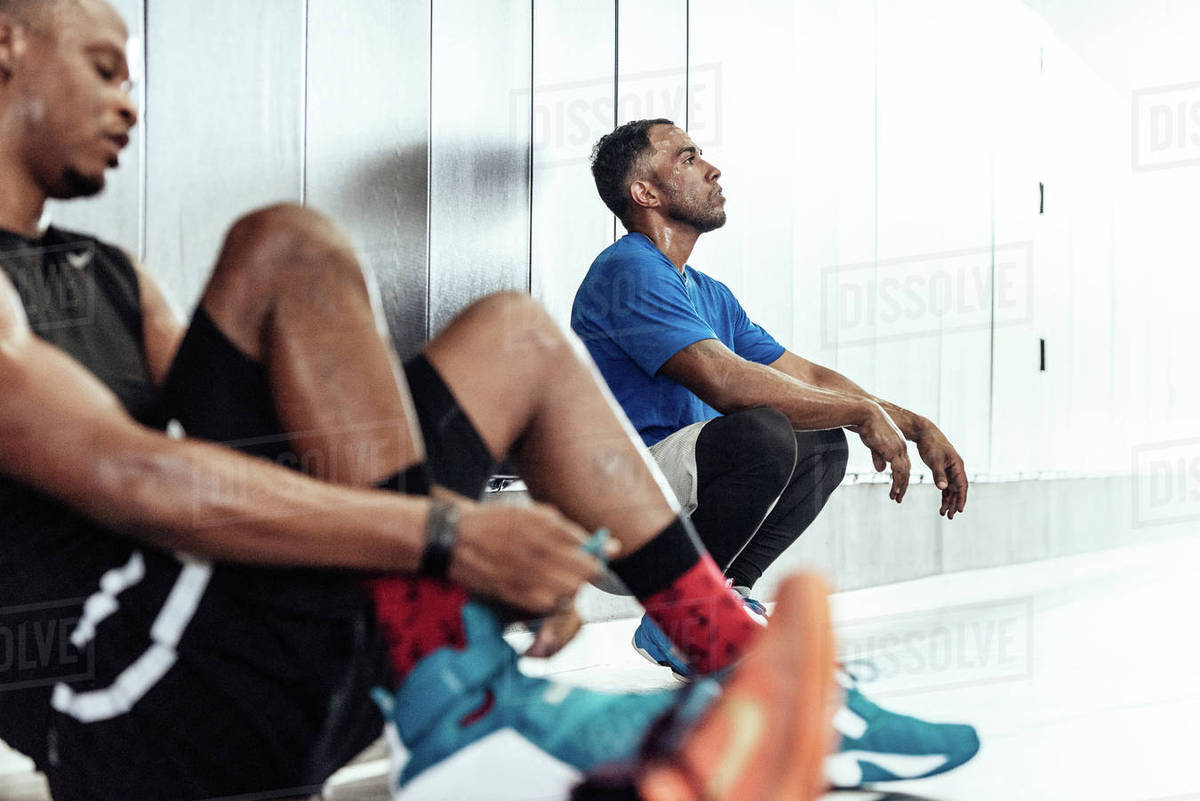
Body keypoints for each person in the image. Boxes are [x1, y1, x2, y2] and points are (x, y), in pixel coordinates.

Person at [0, 2, 857, 800]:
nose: (129, 106)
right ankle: (453, 657)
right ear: (9, 46)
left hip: (238, 648)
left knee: (459, 313)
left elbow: (232, 455)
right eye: (105, 68)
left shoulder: (107, 277)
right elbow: (144, 478)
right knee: (288, 251)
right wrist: (453, 535)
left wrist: (492, 545)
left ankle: (722, 653)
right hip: (114, 701)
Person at [572, 119, 977, 784]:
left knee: (819, 439)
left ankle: (718, 597)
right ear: (643, 190)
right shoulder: (627, 270)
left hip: (671, 503)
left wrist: (909, 422)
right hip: (617, 515)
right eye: (688, 156)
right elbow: (726, 383)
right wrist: (859, 412)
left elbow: (807, 380)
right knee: (763, 430)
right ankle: (678, 616)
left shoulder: (708, 294)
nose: (713, 168)